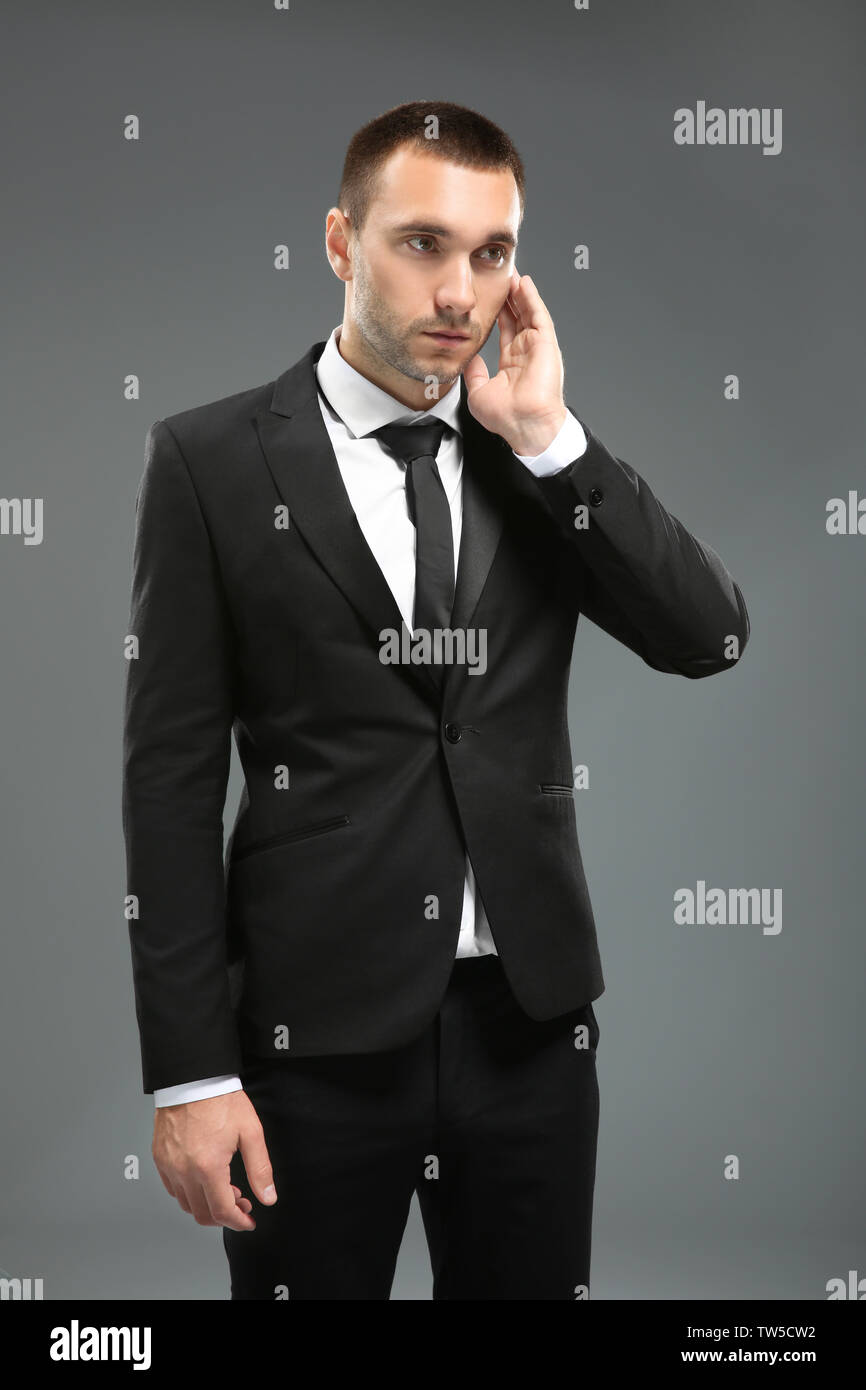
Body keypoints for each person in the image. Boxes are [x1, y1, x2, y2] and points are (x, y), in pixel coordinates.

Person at [122, 99, 750, 1300]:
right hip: (311, 1042)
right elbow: (168, 782)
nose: (460, 290)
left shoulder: (534, 457)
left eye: (492, 253)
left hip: (528, 1028)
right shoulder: (208, 463)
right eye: (422, 244)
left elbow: (707, 634)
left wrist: (558, 444)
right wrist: (191, 1078)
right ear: (339, 242)